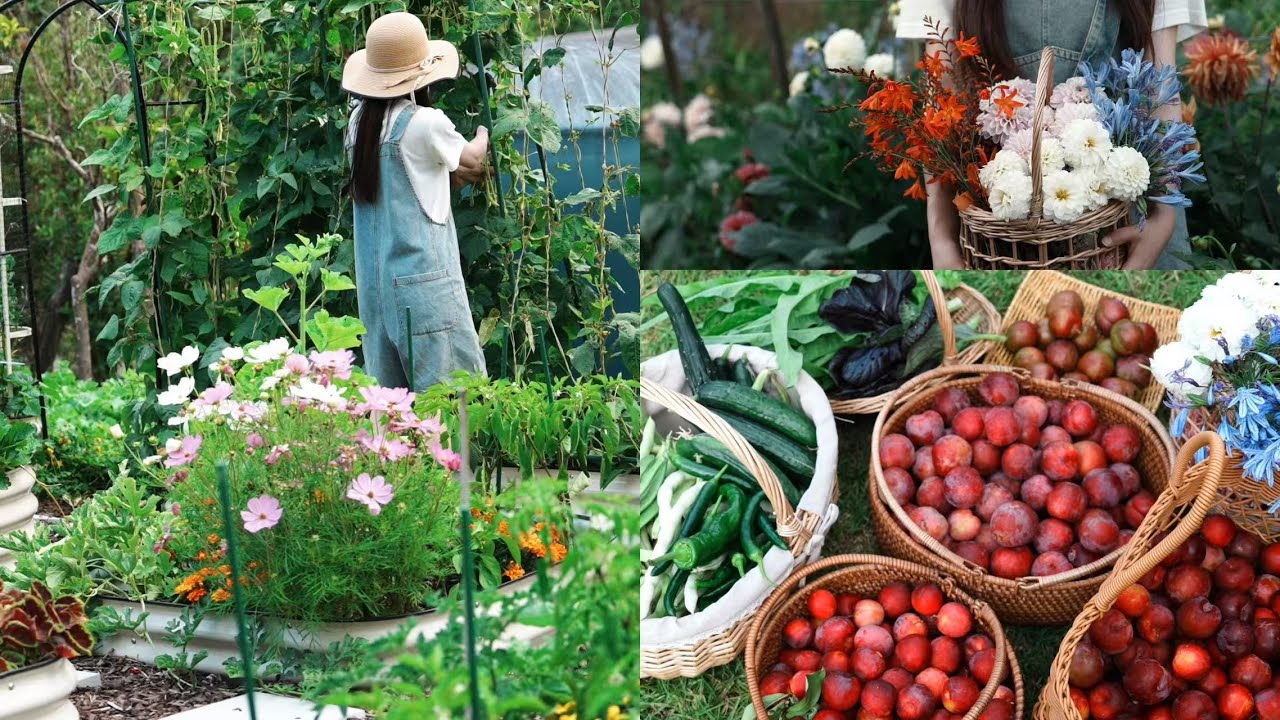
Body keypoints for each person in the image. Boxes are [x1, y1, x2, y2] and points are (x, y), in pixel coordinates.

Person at [895, 0, 1207, 269]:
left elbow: (1160, 86)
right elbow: (944, 92)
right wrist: (941, 236)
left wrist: (1164, 216)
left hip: (1135, 220)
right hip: (1006, 229)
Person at [342, 12, 490, 389]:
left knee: (396, 418)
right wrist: (485, 131)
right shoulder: (425, 123)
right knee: (458, 404)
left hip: (375, 294)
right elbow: (472, 162)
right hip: (425, 291)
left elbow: (411, 181)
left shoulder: (359, 124)